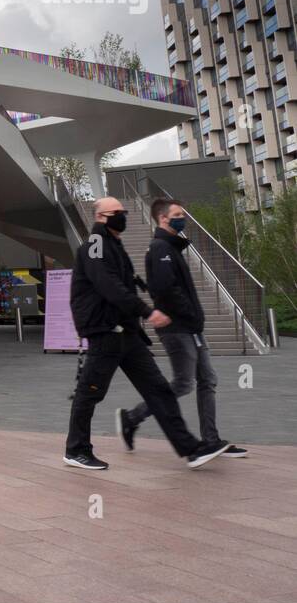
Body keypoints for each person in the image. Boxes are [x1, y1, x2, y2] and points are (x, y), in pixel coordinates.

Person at [64, 196, 231, 471]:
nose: (123, 216)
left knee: (159, 390)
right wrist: (147, 311)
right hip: (105, 331)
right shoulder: (95, 245)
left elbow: (123, 284)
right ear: (101, 217)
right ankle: (76, 449)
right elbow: (109, 285)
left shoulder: (113, 245)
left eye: (124, 211)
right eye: (117, 212)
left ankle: (191, 449)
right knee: (90, 392)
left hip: (126, 333)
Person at [116, 199, 248, 457]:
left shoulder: (172, 247)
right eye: (178, 214)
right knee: (183, 383)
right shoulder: (160, 247)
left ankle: (211, 440)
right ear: (163, 218)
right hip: (177, 329)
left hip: (191, 327)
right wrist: (189, 313)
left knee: (207, 380)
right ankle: (132, 418)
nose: (183, 218)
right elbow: (164, 290)